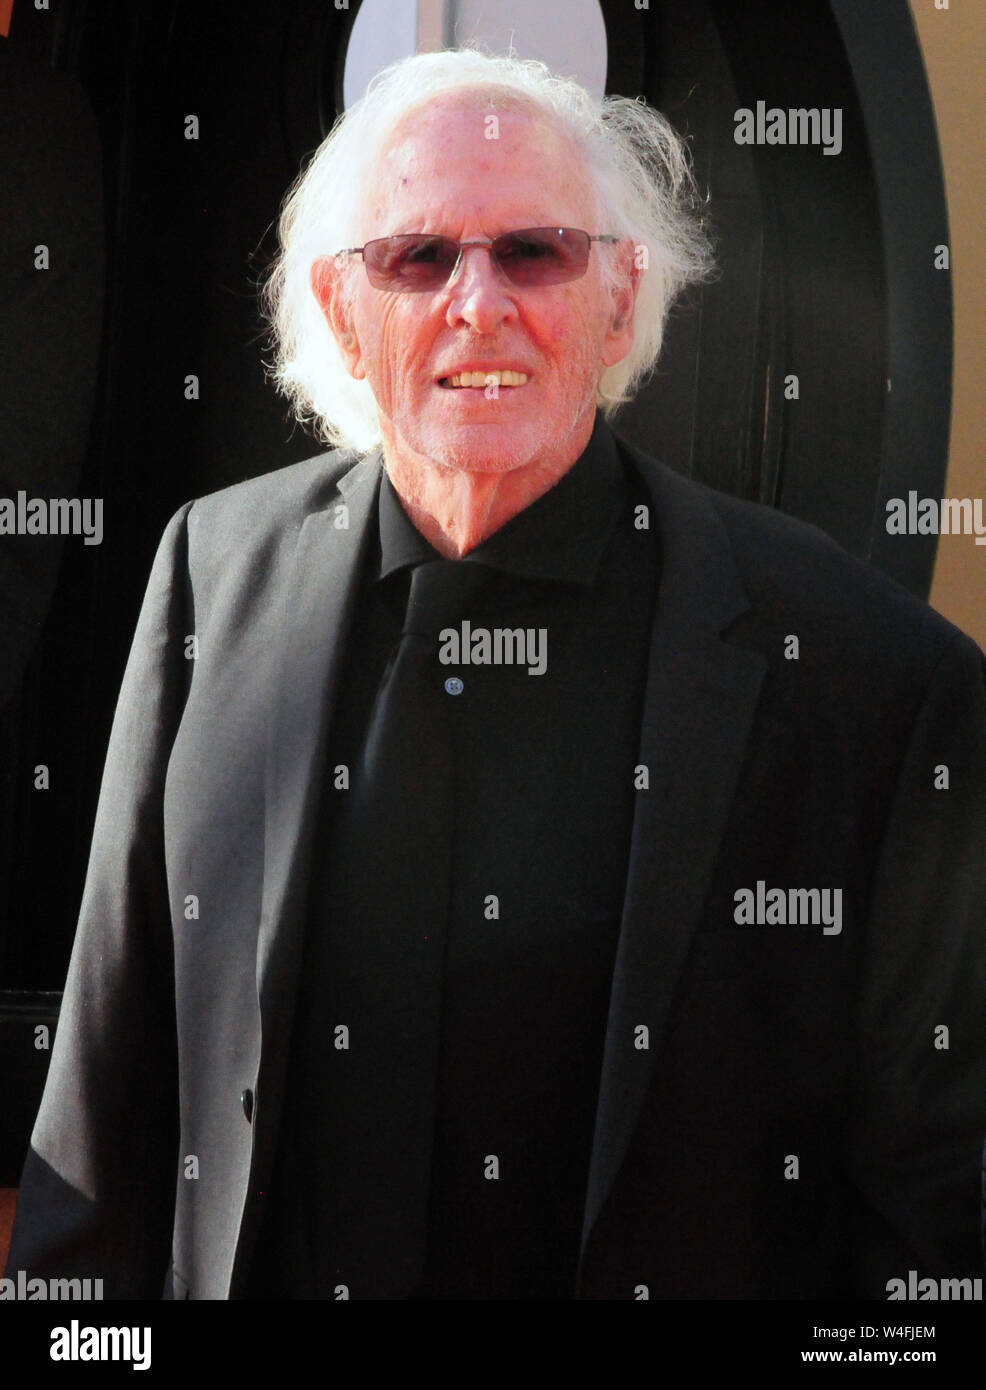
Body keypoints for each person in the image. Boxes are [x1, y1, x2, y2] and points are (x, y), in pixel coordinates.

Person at [6, 48, 986, 1301]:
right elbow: (105, 1092)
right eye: (418, 257)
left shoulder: (869, 680)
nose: (478, 302)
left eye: (534, 251)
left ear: (623, 296)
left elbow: (930, 1211)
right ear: (343, 311)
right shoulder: (209, 573)